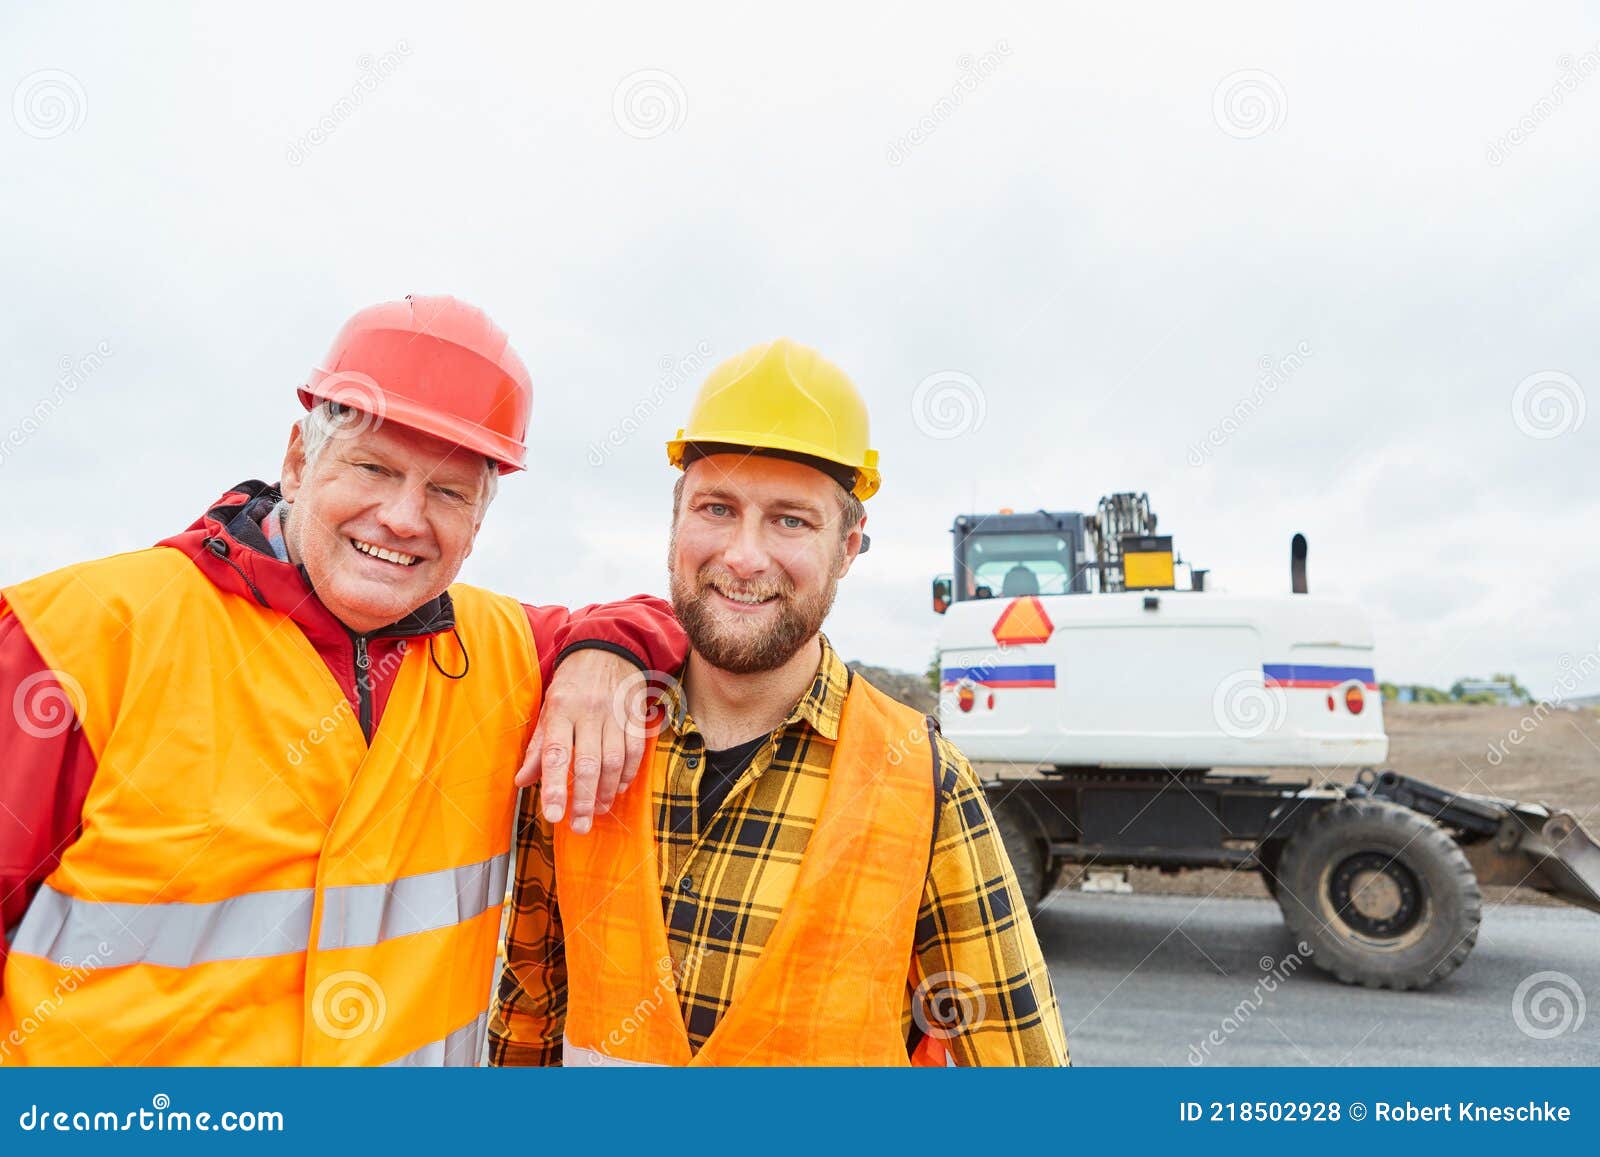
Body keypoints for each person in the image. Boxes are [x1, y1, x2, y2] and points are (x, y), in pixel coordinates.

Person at [0, 295, 686, 1066]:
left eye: (448, 491)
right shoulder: (79, 635)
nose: (402, 517)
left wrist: (607, 655)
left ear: (480, 520)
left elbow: (661, 618)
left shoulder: (505, 651)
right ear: (299, 459)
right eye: (373, 467)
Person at [491, 338, 1068, 1066]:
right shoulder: (588, 743)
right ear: (675, 523)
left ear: (850, 546)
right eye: (717, 508)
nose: (743, 554)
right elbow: (526, 1025)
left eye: (790, 520)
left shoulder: (923, 784)